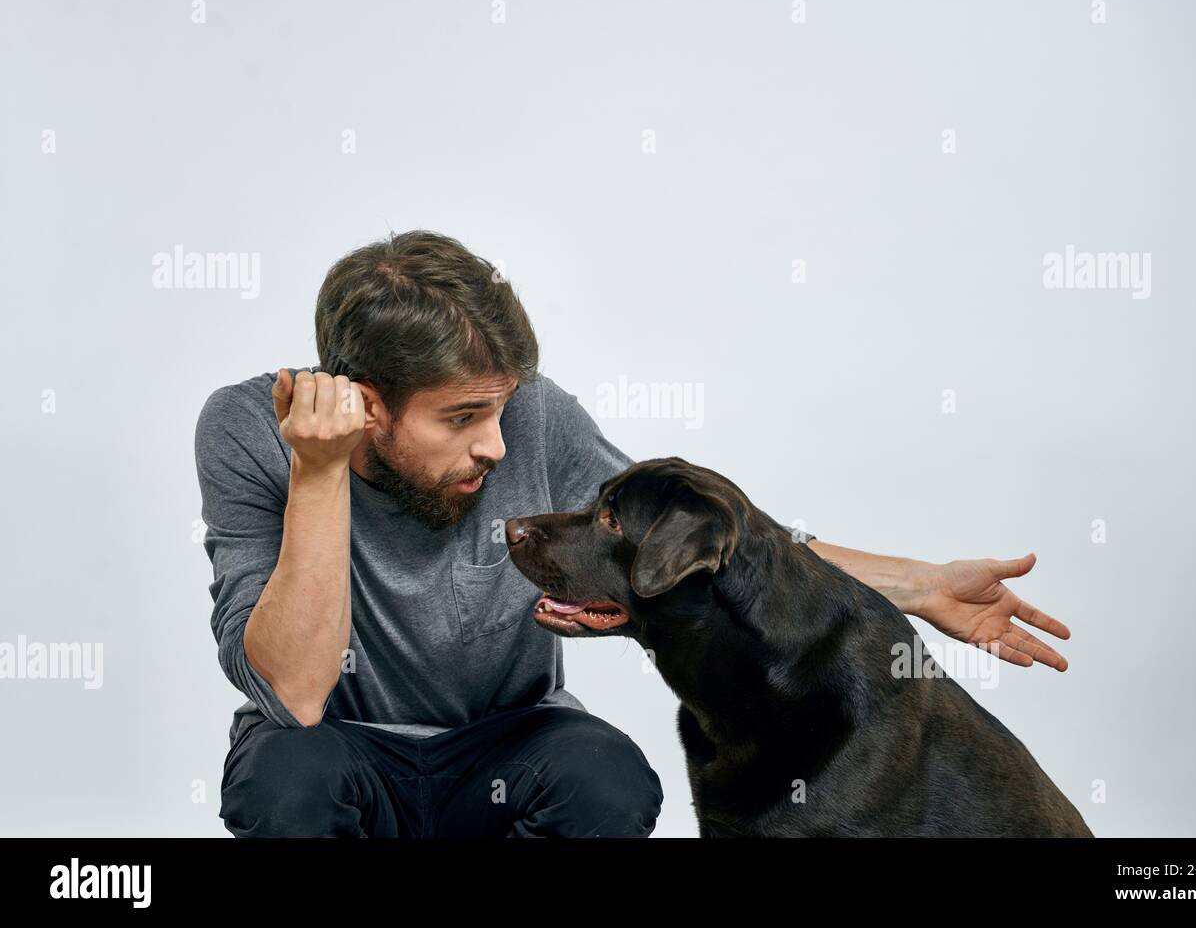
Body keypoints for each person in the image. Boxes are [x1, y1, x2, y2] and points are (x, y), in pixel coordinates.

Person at [195, 230, 1073, 838]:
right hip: (341, 749)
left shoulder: (536, 417)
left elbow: (723, 547)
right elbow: (300, 693)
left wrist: (918, 587)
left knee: (604, 776)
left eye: (502, 409)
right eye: (463, 418)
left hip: (505, 741)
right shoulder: (245, 431)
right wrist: (318, 474)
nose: (497, 446)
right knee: (285, 781)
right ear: (370, 404)